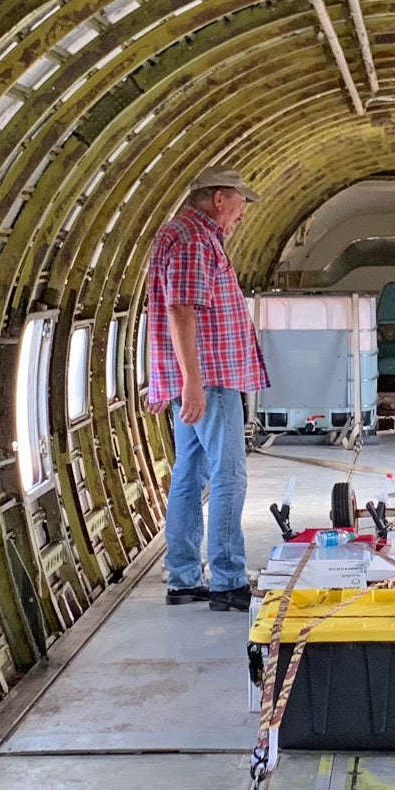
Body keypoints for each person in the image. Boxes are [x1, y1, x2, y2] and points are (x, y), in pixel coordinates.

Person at [145, 166, 268, 611]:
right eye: (240, 204)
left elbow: (160, 313)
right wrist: (191, 383)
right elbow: (180, 311)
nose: (242, 215)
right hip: (210, 380)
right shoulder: (196, 239)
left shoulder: (178, 234)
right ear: (219, 199)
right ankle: (228, 580)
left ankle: (182, 578)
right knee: (228, 477)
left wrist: (163, 378)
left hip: (198, 379)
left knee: (190, 474)